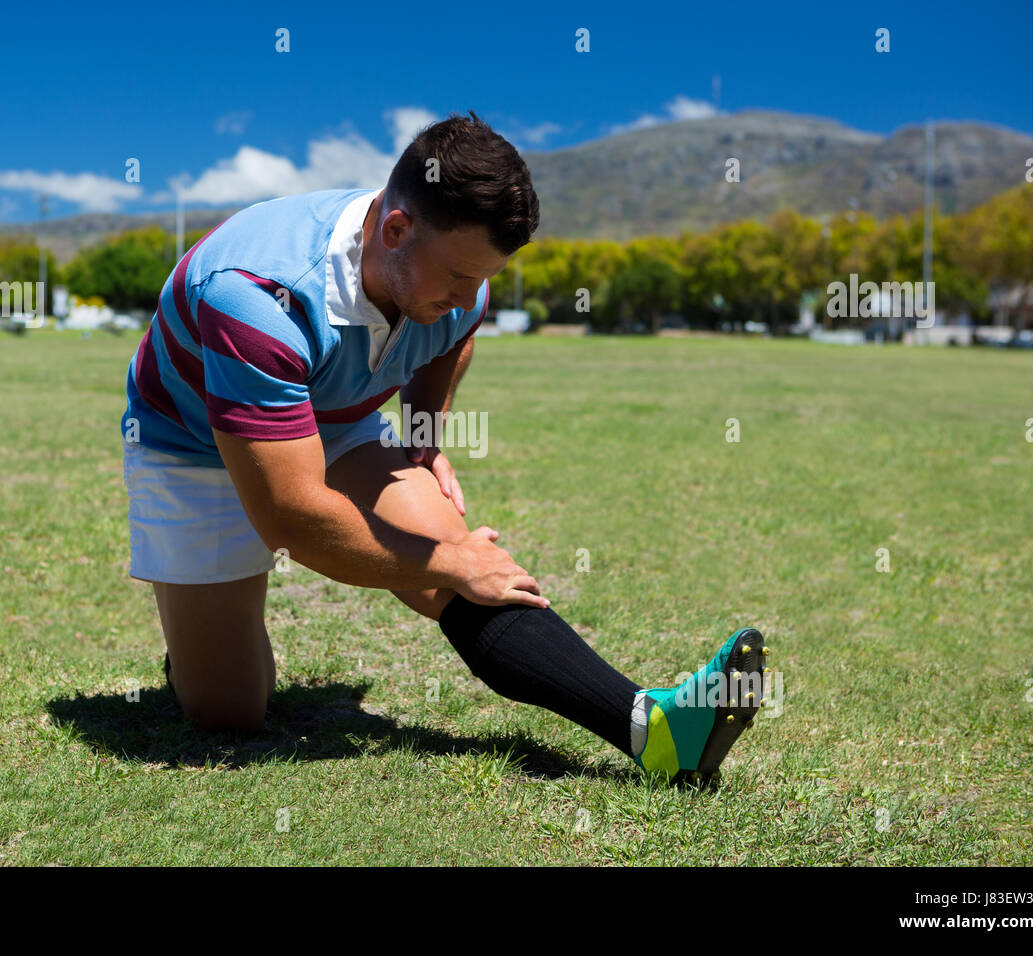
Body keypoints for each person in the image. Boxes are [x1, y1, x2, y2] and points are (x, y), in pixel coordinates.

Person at [120, 111, 768, 785]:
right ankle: (194, 646)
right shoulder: (255, 296)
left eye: (480, 279)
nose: (467, 297)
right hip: (191, 442)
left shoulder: (457, 275)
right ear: (395, 230)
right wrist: (452, 560)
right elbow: (289, 516)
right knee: (231, 711)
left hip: (334, 414)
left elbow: (455, 333)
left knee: (459, 568)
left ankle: (656, 728)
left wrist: (425, 435)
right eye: (457, 277)